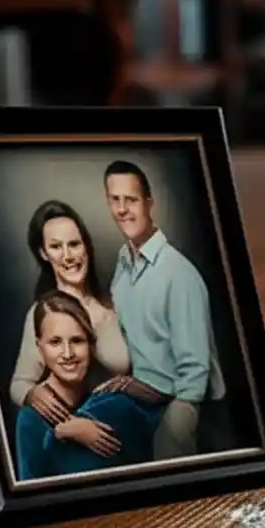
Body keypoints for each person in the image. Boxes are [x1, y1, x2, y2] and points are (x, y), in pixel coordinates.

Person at [103, 160, 225, 459]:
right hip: (141, 397)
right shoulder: (123, 264)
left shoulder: (179, 274)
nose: (122, 209)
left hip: (178, 405)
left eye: (130, 199)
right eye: (114, 200)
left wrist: (172, 418)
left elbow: (194, 373)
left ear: (149, 203)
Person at [14, 291, 172, 480]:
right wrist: (61, 433)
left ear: (91, 344)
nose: (67, 353)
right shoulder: (30, 419)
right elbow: (30, 494)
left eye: (77, 341)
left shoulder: (108, 402)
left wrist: (134, 387)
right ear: (40, 348)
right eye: (55, 342)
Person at [10, 200, 130, 423]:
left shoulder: (114, 303)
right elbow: (19, 385)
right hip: (79, 432)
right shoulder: (43, 313)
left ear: (86, 247)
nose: (68, 256)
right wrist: (33, 394)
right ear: (44, 253)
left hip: (125, 422)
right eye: (56, 247)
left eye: (74, 244)